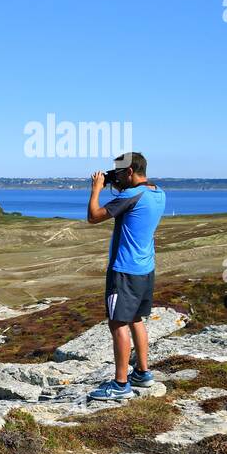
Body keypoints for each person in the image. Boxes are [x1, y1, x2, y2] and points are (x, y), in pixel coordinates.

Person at [85, 152, 165, 401]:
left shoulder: (131, 195)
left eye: (118, 172)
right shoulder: (158, 193)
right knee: (136, 319)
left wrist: (96, 188)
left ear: (129, 172)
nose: (115, 177)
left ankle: (120, 385)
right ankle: (142, 372)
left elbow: (93, 217)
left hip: (123, 270)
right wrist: (116, 183)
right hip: (145, 269)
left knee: (118, 323)